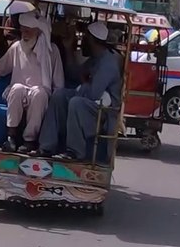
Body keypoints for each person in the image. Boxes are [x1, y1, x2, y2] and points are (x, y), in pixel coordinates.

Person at [0, 11, 63, 154]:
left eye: (28, 31)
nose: (24, 34)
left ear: (37, 31)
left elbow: (58, 83)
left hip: (40, 94)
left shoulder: (52, 51)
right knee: (17, 88)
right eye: (22, 30)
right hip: (17, 91)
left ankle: (29, 141)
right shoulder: (16, 47)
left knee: (39, 93)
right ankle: (11, 138)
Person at [40, 21, 124, 159]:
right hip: (90, 105)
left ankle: (75, 152)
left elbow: (93, 94)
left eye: (84, 38)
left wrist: (84, 84)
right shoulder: (95, 59)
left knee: (76, 102)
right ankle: (46, 146)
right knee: (59, 95)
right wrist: (68, 49)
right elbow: (75, 74)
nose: (82, 41)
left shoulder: (108, 63)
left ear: (91, 40)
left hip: (104, 113)